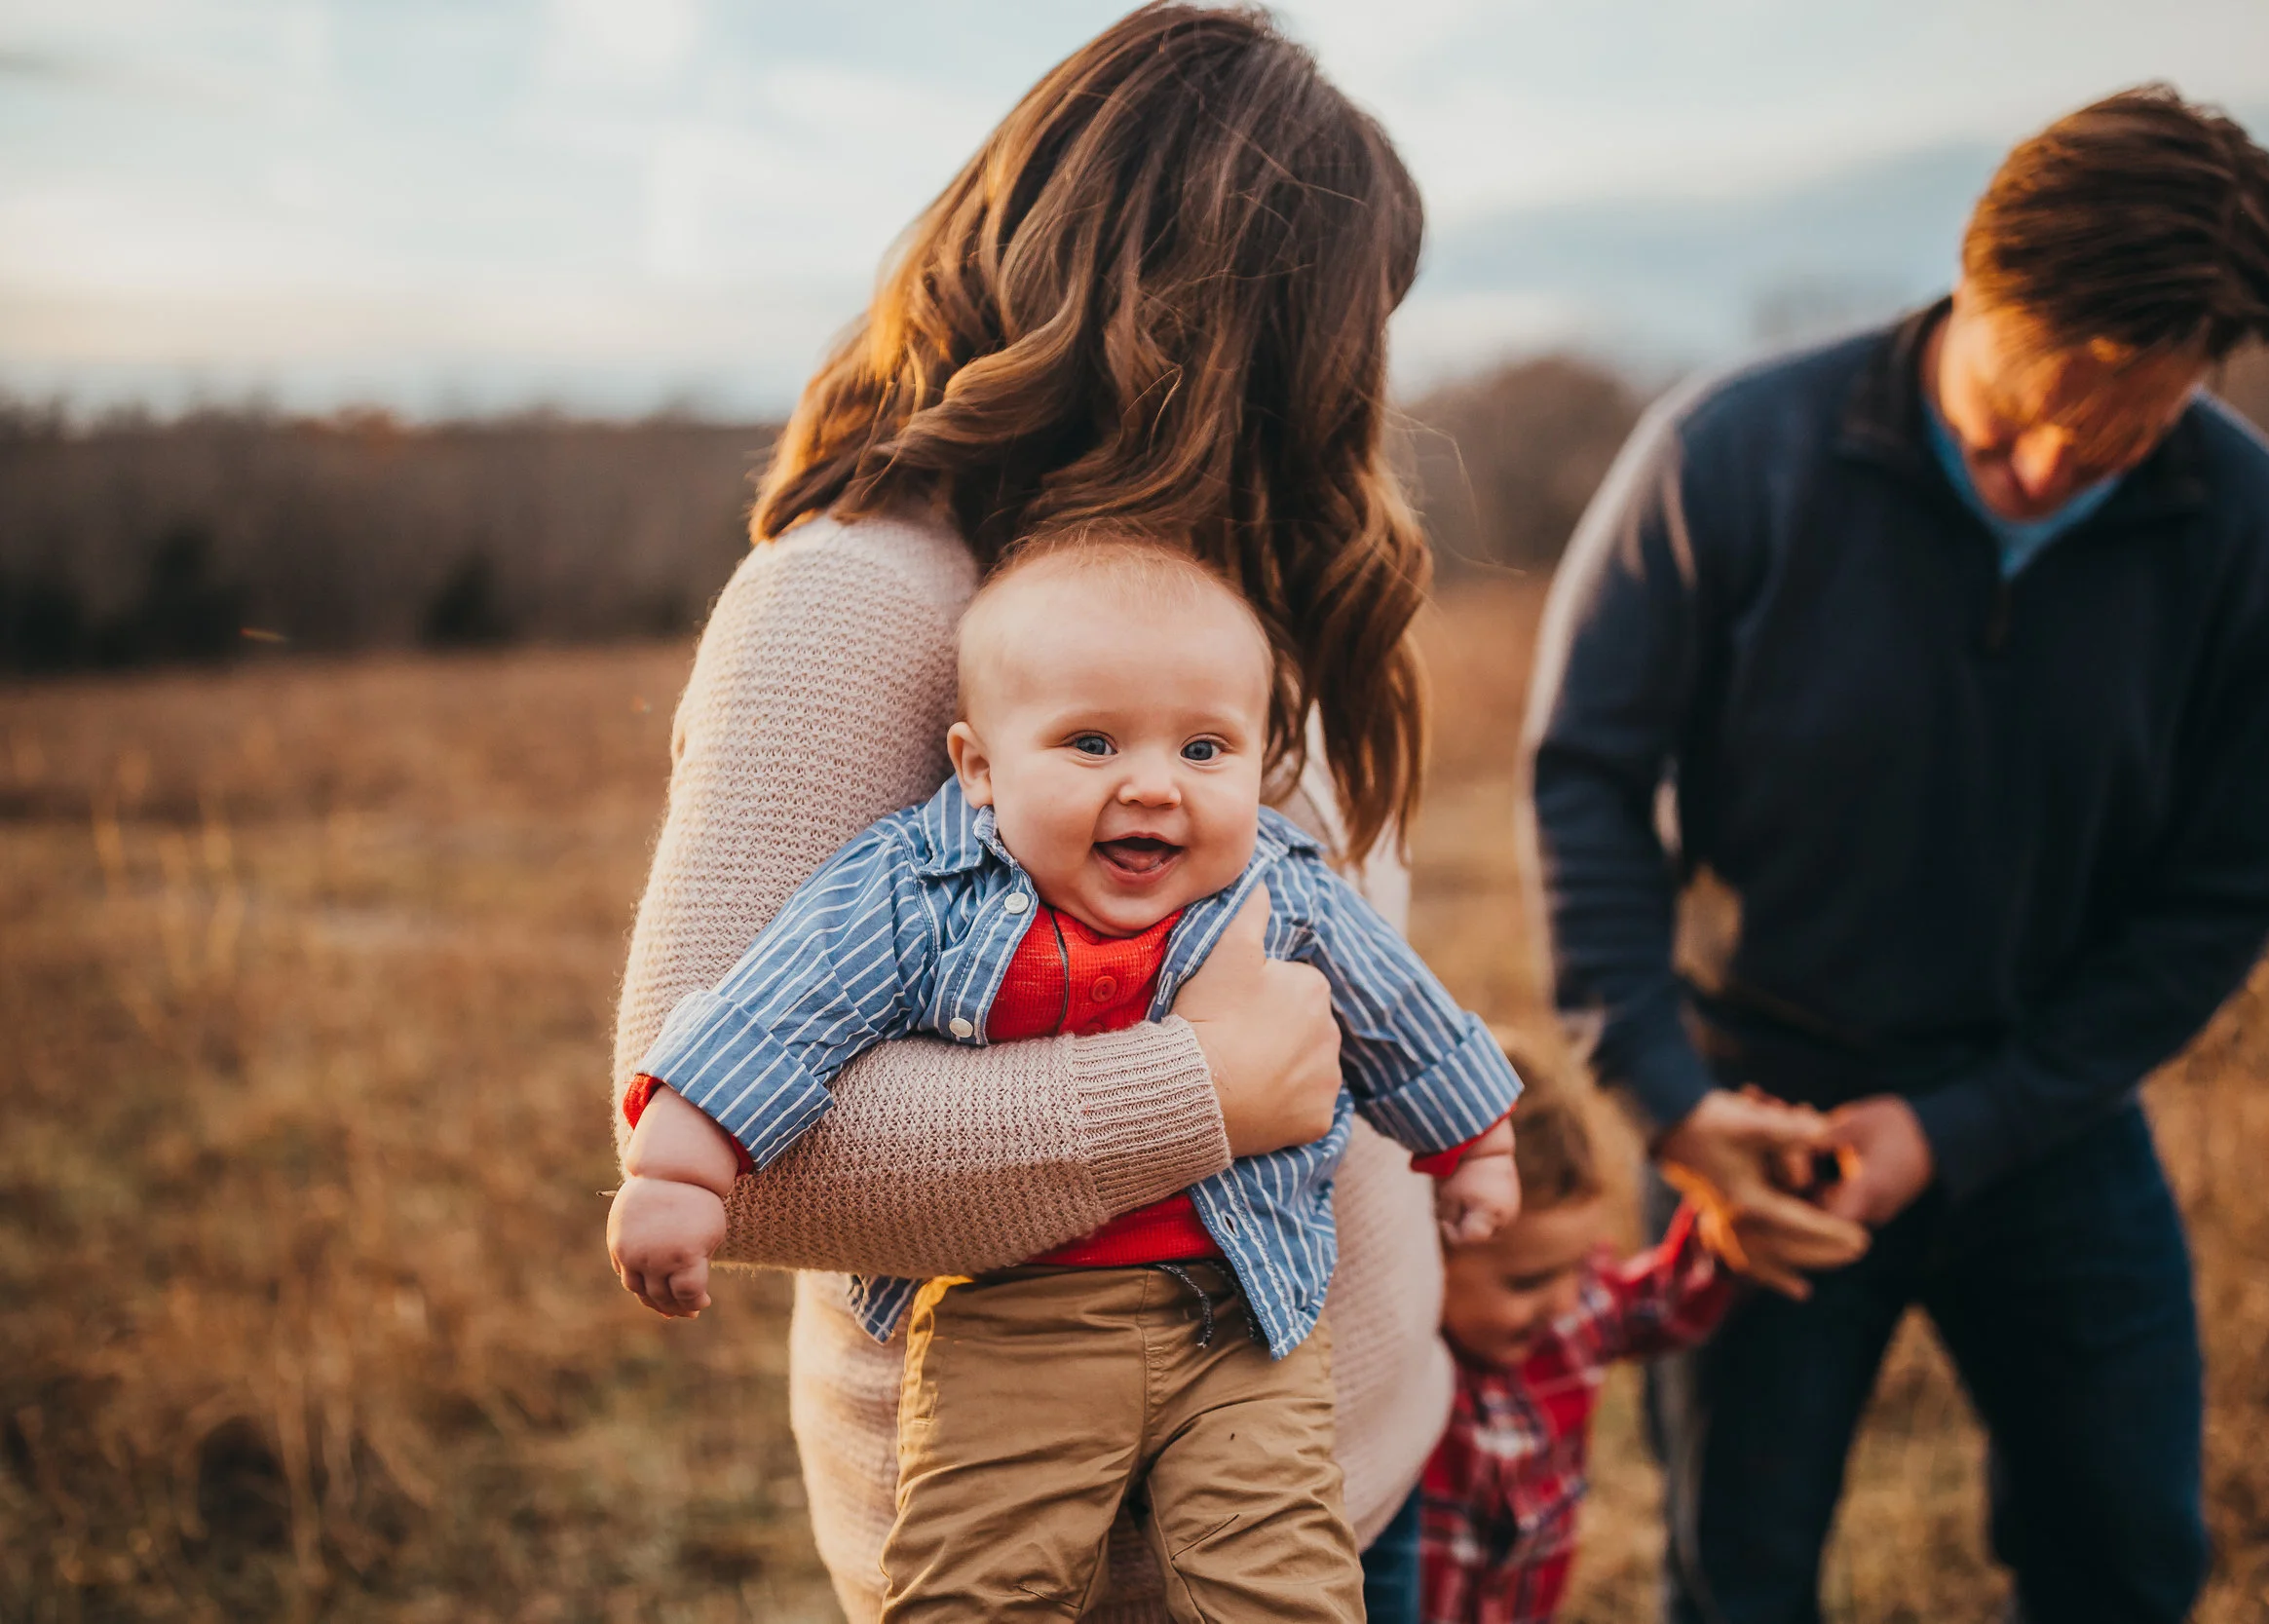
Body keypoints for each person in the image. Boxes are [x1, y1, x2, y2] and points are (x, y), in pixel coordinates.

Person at [602, 8, 1743, 1617]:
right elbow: (725, 1138)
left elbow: (1331, 983)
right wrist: (1191, 1086)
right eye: (1352, 327)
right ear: (1240, 326)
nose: (1362, 385)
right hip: (1060, 1552)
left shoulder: (1270, 588)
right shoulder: (858, 599)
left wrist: (1460, 1154)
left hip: (1346, 1466)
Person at [1527, 85, 2269, 1624]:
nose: (2050, 463)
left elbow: (2224, 893)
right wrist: (1669, 1100)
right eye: (2033, 402)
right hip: (1751, 1118)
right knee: (1739, 1575)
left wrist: (1969, 1121)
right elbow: (1587, 778)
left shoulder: (2258, 541)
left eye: (2124, 434)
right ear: (1977, 279)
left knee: (2130, 1553)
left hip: (2055, 1119)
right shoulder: (1726, 456)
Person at [610, 534, 1525, 1618]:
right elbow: (781, 1009)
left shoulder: (1283, 891)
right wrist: (679, 1165)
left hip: (1242, 1315)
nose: (1153, 785)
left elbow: (1400, 1016)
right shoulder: (917, 889)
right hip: (1013, 1320)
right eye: (1092, 743)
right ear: (979, 766)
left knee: (1281, 1579)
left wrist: (1475, 1140)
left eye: (1204, 748)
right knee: (976, 1579)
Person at [1420, 1038, 1860, 1624]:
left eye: (1579, 1266)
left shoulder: (1569, 1322)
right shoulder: (1396, 1377)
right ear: (1421, 1252)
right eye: (1526, 1282)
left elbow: (1659, 1304)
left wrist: (1726, 1238)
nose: (1565, 1301)